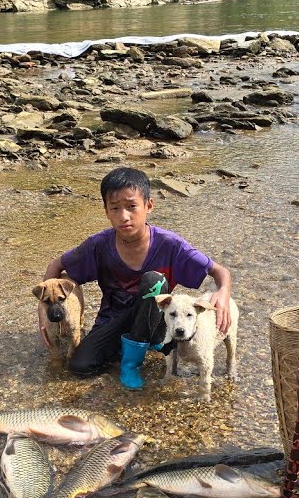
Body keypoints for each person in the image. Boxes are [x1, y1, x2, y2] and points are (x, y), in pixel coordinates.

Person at [39, 167, 233, 390]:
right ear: (106, 211)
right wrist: (43, 312)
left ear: (148, 205)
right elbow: (57, 265)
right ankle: (125, 348)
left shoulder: (170, 245)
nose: (124, 216)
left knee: (154, 281)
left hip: (156, 322)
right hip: (114, 320)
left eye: (132, 206)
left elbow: (220, 272)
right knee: (80, 366)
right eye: (115, 208)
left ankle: (131, 362)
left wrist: (223, 292)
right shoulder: (99, 245)